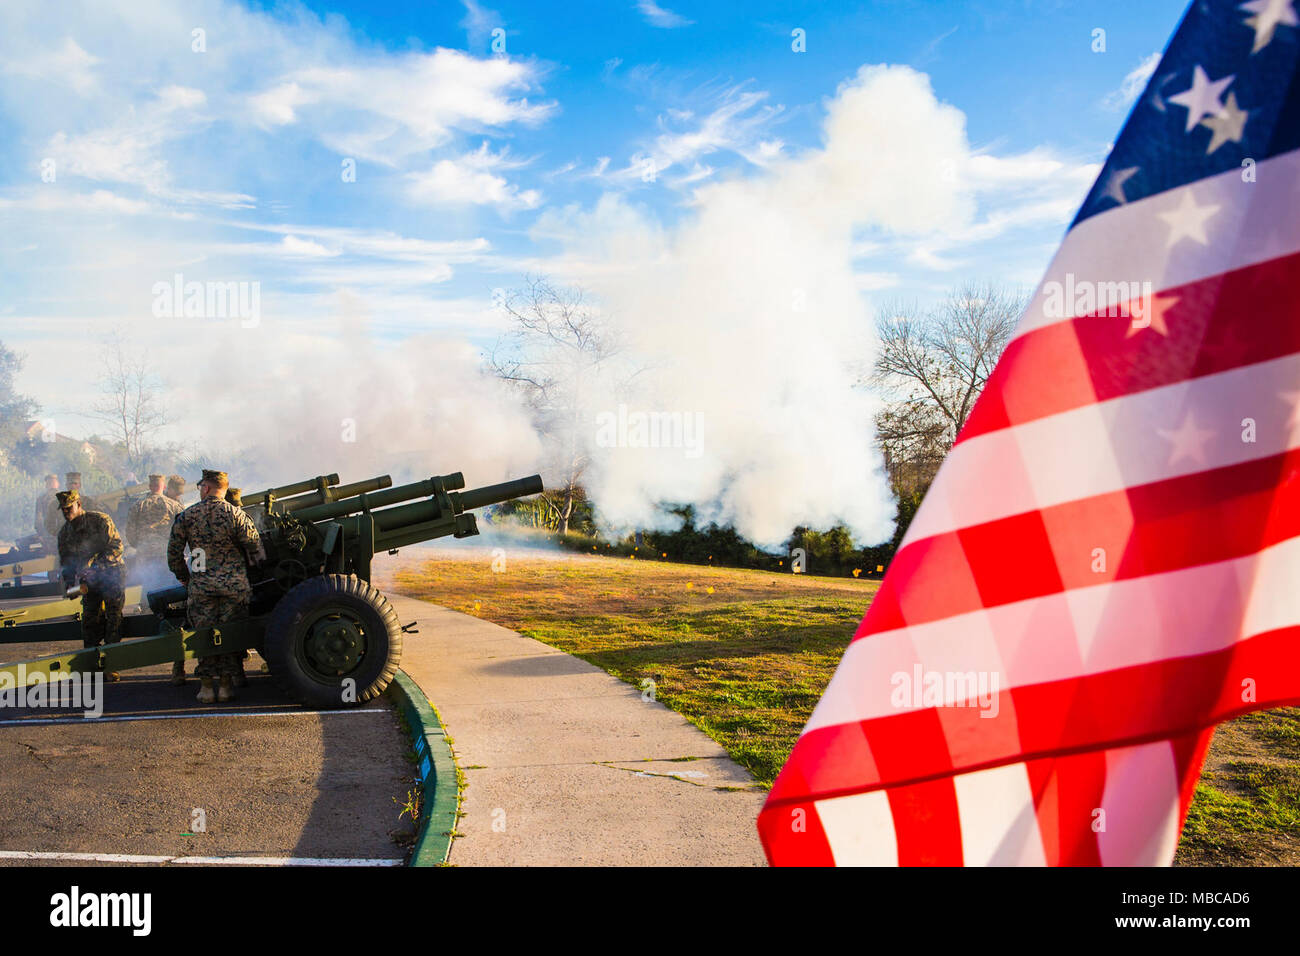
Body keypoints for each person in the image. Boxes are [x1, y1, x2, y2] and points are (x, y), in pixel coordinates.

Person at [167, 469, 260, 704]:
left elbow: (174, 554)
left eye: (200, 487)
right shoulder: (236, 515)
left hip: (201, 588)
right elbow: (255, 547)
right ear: (225, 489)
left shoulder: (187, 516)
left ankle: (207, 688)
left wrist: (185, 577)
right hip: (233, 587)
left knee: (204, 635)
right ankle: (226, 686)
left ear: (206, 488)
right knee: (229, 634)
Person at [55, 490, 125, 682]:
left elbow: (117, 547)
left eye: (69, 508)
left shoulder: (100, 520)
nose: (66, 512)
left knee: (113, 618)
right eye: (63, 509)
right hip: (89, 582)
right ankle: (91, 663)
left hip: (111, 574)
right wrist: (70, 584)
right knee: (90, 619)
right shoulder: (65, 533)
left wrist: (96, 567)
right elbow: (66, 561)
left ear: (79, 504)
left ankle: (112, 664)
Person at [127, 474, 186, 683]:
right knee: (174, 603)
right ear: (162, 486)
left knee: (149, 596)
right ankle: (177, 668)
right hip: (167, 558)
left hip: (145, 558)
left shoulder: (138, 506)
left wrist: (143, 546)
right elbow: (183, 532)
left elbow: (130, 536)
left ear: (149, 485)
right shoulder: (174, 506)